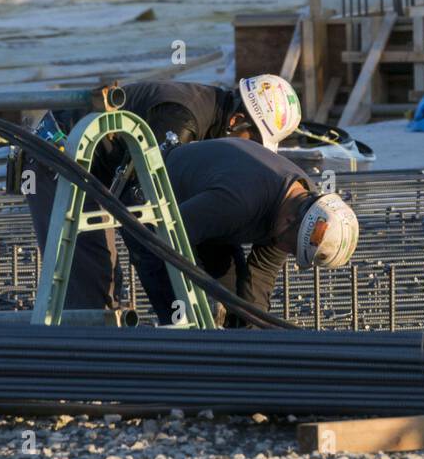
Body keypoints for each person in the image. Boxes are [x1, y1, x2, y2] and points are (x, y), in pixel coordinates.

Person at [25, 75, 301, 310]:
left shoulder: (214, 127)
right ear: (237, 120)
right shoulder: (179, 121)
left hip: (101, 168)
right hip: (58, 157)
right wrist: (173, 311)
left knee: (104, 282)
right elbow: (142, 216)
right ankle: (82, 360)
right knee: (90, 282)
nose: (254, 154)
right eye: (253, 141)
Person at [125, 136, 359, 325]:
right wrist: (195, 304)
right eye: (292, 247)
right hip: (151, 205)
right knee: (185, 315)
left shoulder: (300, 202)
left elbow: (261, 275)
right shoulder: (240, 202)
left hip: (207, 214)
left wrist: (251, 334)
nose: (288, 253)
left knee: (233, 307)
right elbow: (165, 239)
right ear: (290, 221)